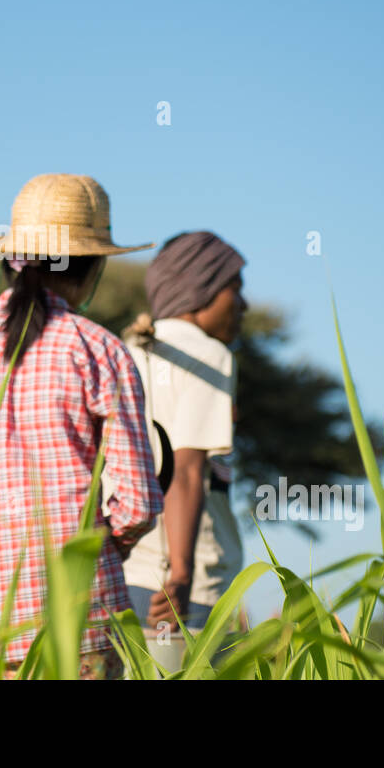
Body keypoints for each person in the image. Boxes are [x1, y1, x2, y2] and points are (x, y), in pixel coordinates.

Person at [0, 173, 163, 679]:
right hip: (84, 619)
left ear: (8, 261)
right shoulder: (101, 351)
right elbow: (138, 504)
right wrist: (104, 541)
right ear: (91, 270)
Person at [122, 231, 248, 632]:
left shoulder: (127, 348)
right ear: (202, 289)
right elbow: (187, 470)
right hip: (182, 590)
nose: (242, 304)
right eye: (235, 288)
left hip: (122, 574)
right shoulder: (208, 355)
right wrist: (180, 572)